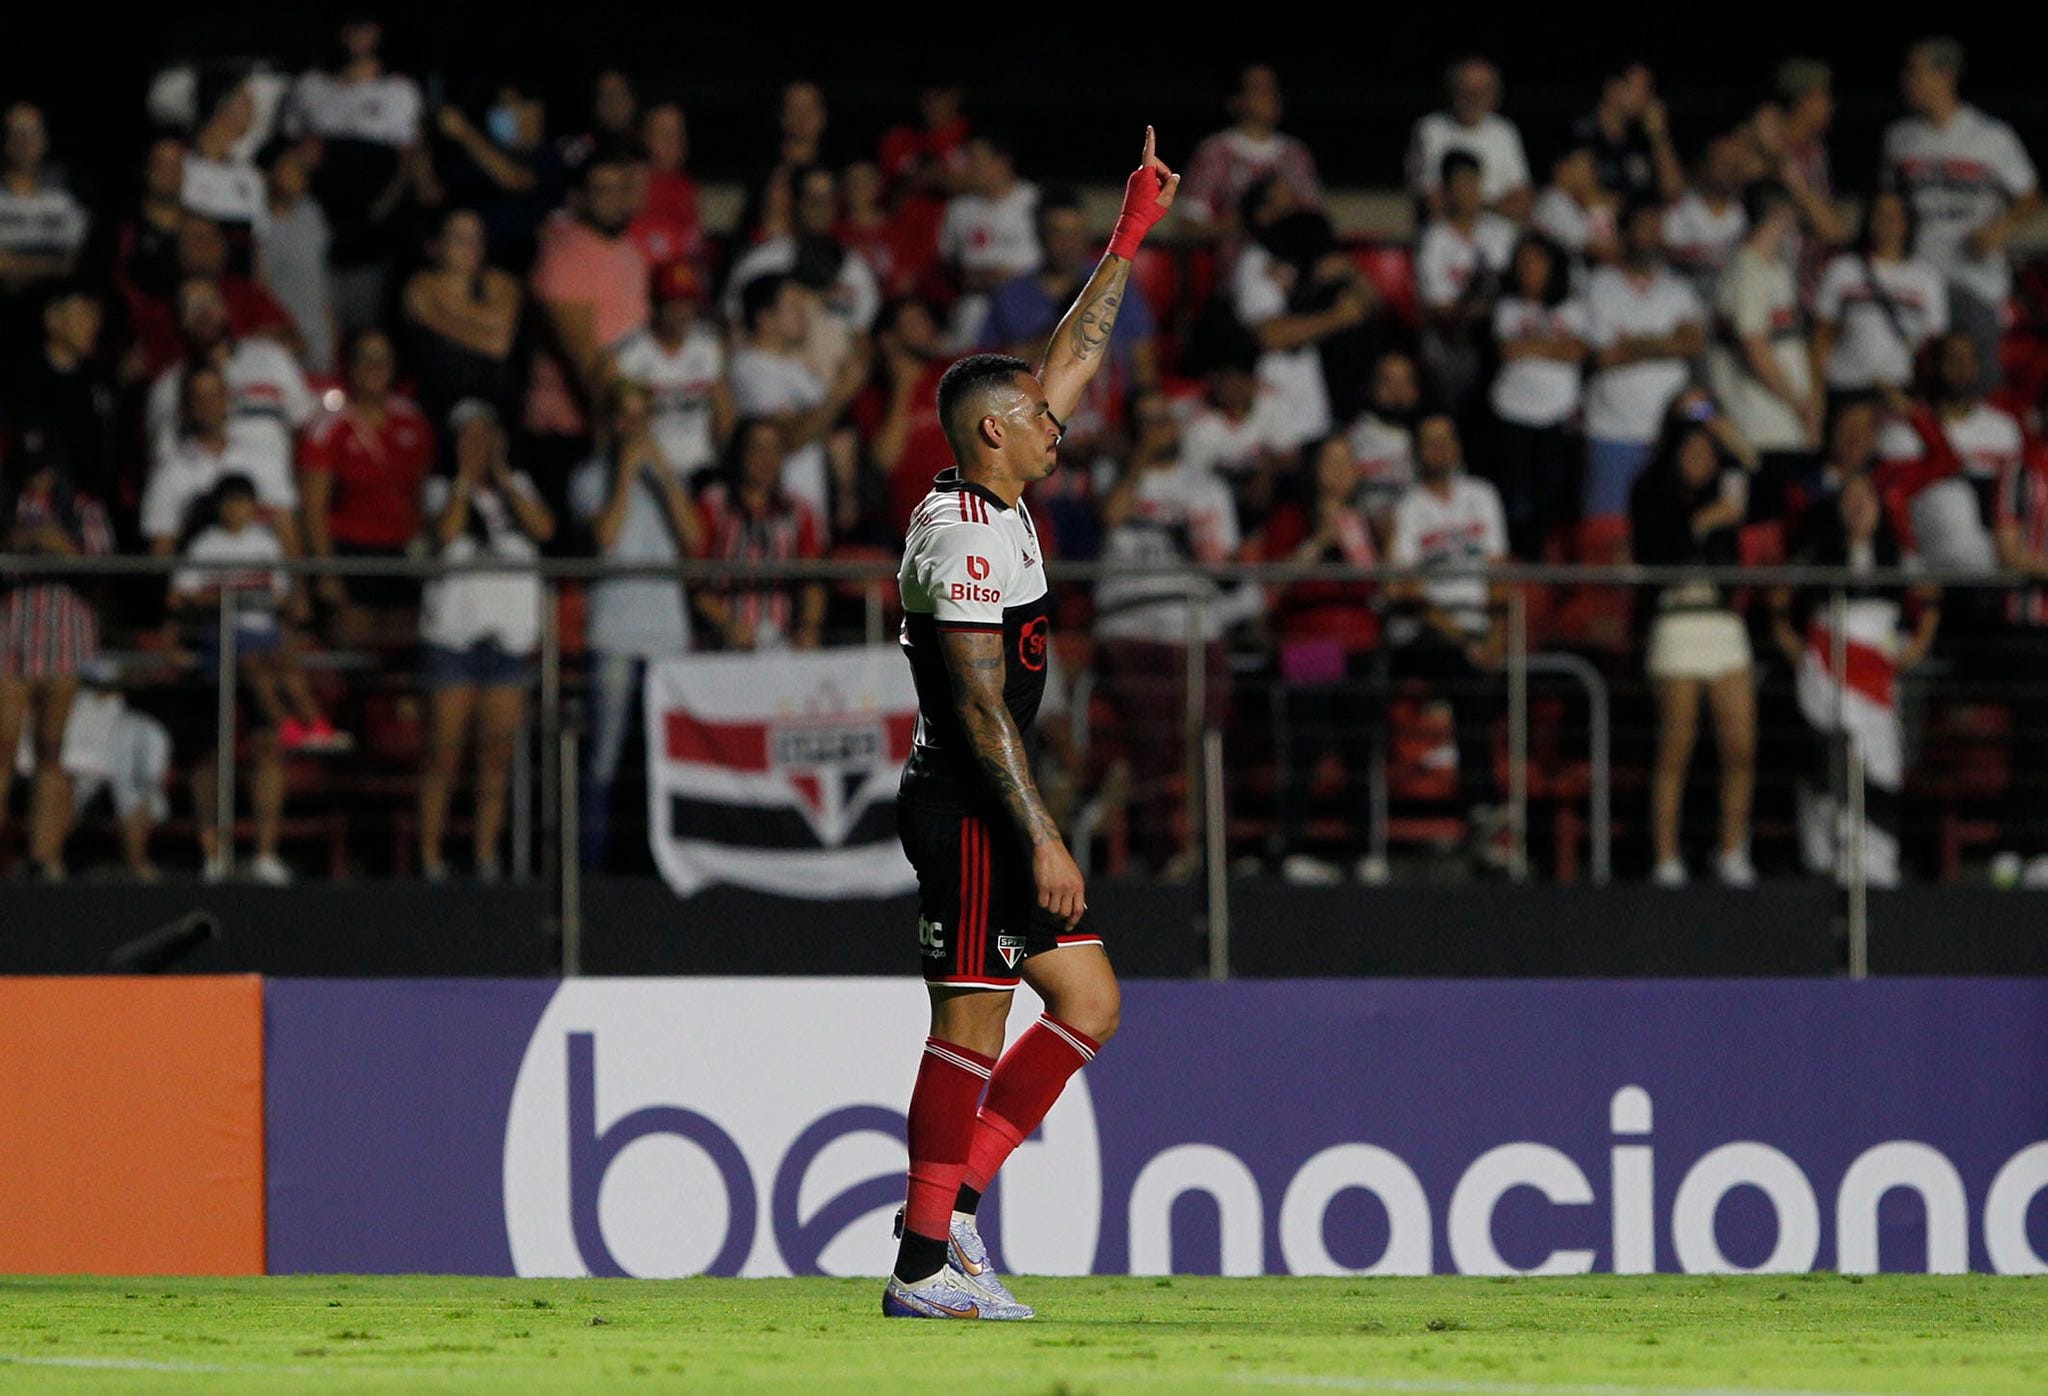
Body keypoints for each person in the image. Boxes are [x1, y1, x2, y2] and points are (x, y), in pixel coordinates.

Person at [885, 127, 1174, 1322]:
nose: (1060, 421)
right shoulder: (955, 532)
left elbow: (1070, 358)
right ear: (989, 432)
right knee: (970, 1015)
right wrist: (1042, 834)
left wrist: (1129, 236)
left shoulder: (1003, 488)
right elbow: (974, 705)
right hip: (967, 800)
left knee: (1090, 1002)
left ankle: (950, 1218)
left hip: (996, 801)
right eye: (1035, 416)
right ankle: (921, 1262)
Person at [1093, 392, 1245, 877]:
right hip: (1131, 624)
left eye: (1167, 418)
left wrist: (1198, 547)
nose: (1160, 427)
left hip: (1196, 625)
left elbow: (1225, 564)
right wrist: (1137, 460)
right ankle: (1159, 854)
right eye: (1150, 419)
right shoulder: (1115, 476)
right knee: (1153, 746)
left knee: (1209, 741)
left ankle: (1213, 852)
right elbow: (1112, 517)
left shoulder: (1208, 488)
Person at [1771, 474, 1938, 888]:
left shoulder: (1898, 557)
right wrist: (1801, 652)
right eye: (1850, 498)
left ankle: (1877, 862)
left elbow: (1931, 604)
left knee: (1878, 763)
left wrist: (1912, 651)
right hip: (1827, 673)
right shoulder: (1815, 555)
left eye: (1866, 497)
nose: (1858, 506)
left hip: (1876, 679)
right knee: (1832, 759)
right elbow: (1779, 603)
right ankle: (1827, 858)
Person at [417, 401, 555, 881]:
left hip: (508, 640)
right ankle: (431, 858)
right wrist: (464, 477)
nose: (476, 446)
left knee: (495, 757)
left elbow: (543, 529)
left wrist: (501, 475)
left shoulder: (520, 489)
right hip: (454, 638)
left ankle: (484, 856)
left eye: (485, 436)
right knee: (445, 753)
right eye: (467, 437)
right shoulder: (438, 490)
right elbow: (447, 531)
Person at [569, 380, 705, 870]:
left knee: (669, 758)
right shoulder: (589, 477)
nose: (635, 427)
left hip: (668, 633)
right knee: (603, 759)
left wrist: (663, 472)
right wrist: (624, 471)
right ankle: (590, 867)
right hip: (614, 634)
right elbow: (604, 536)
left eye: (642, 416)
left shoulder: (670, 478)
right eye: (625, 416)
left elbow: (694, 538)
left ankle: (665, 863)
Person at [1629, 400, 1757, 888]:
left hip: (1721, 623)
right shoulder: (1650, 492)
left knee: (1740, 746)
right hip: (1675, 622)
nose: (1701, 459)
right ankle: (1665, 856)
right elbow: (1655, 551)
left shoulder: (1730, 491)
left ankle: (1731, 850)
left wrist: (1733, 441)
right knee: (1676, 744)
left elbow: (1759, 481)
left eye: (1710, 452)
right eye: (1693, 449)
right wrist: (1703, 522)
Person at [163, 474, 306, 883]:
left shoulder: (266, 544)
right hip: (216, 648)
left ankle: (265, 852)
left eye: (244, 502)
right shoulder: (205, 545)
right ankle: (212, 851)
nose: (236, 511)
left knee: (266, 749)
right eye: (229, 502)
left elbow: (285, 601)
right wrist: (225, 598)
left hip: (261, 644)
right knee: (211, 752)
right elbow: (179, 596)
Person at [1255, 433, 1383, 884]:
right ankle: (1291, 850)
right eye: (1332, 462)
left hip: (1359, 644)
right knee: (1305, 748)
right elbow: (1274, 583)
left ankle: (1364, 852)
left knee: (1359, 752)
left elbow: (1374, 584)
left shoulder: (1360, 520)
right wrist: (1318, 540)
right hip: (1310, 642)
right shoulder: (1292, 519)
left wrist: (1351, 539)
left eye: (1348, 462)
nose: (1341, 471)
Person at [1384, 413, 1510, 861]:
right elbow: (1405, 588)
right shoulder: (1408, 506)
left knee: (1482, 668)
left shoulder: (1482, 495)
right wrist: (1462, 635)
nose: (1438, 449)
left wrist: (1497, 632)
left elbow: (1497, 570)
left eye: (1445, 440)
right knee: (1464, 667)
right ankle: (1481, 805)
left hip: (1476, 629)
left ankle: (1483, 808)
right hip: (1426, 629)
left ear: (1457, 447)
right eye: (1428, 442)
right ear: (1418, 452)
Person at [1882, 37, 2039, 393]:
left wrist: (1999, 228)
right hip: (1918, 280)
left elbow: (2030, 196)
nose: (1907, 81)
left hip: (1977, 283)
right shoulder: (1899, 139)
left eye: (1916, 73)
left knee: (1976, 386)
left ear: (1945, 76)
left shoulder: (1991, 137)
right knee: (1917, 385)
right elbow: (1888, 203)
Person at [0, 449, 113, 881]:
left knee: (51, 748)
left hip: (64, 636)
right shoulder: (7, 505)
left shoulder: (82, 509)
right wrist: (16, 542)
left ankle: (44, 856)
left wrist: (57, 547)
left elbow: (103, 572)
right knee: (3, 750)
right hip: (11, 634)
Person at [285, 18, 430, 334]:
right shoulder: (310, 86)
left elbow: (408, 161)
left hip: (370, 227)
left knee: (365, 326)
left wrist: (380, 212)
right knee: (314, 317)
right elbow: (293, 150)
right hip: (317, 222)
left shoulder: (399, 91)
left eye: (367, 29)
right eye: (352, 27)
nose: (359, 37)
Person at [143, 277, 316, 538]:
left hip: (274, 510)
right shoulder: (167, 387)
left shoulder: (272, 359)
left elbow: (305, 429)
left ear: (225, 308)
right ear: (179, 319)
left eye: (209, 302)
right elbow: (163, 455)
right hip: (202, 527)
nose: (202, 312)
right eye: (191, 305)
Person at [984, 187, 1159, 437]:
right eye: (1058, 233)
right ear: (1039, 235)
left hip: (1112, 424)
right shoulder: (1011, 296)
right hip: (1033, 425)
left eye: (1076, 233)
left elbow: (1143, 366)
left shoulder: (1114, 286)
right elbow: (988, 368)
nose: (1068, 243)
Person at [524, 144, 649, 485]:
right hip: (572, 430)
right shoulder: (565, 256)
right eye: (602, 190)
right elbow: (586, 359)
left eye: (620, 189)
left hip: (625, 421)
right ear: (580, 197)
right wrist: (610, 437)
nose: (613, 199)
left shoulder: (630, 251)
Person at [298, 329, 434, 639]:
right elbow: (313, 507)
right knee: (355, 646)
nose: (375, 367)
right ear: (351, 365)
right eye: (366, 359)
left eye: (383, 359)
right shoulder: (329, 425)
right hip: (350, 551)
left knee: (402, 652)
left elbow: (421, 495)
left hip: (402, 553)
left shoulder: (412, 420)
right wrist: (326, 571)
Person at [1582, 200, 1706, 526]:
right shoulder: (1600, 285)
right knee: (1609, 531)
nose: (1652, 236)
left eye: (1657, 228)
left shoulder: (1678, 288)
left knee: (1663, 529)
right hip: (1612, 433)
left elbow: (1693, 343)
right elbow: (1606, 355)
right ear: (1625, 233)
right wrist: (1668, 342)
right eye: (1644, 227)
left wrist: (1633, 343)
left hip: (1668, 436)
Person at [1232, 175, 1374, 449]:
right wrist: (1337, 317)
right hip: (1286, 407)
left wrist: (1350, 273)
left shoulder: (1314, 246)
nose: (1295, 207)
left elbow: (1370, 305)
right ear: (1262, 214)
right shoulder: (1255, 262)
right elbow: (1270, 335)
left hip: (1332, 402)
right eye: (1284, 203)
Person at [12, 662, 172, 882]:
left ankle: (138, 863)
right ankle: (46, 861)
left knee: (138, 762)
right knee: (61, 778)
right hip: (72, 715)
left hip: (115, 713)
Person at [1706, 182, 1820, 492]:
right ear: (1780, 214)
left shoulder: (1776, 268)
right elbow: (1754, 349)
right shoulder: (1747, 270)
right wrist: (1799, 405)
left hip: (1783, 427)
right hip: (1757, 429)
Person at [729, 273, 866, 525]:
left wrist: (846, 491)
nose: (803, 314)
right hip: (774, 515)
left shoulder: (798, 370)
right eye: (792, 307)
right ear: (765, 318)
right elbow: (786, 438)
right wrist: (839, 394)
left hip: (811, 509)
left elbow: (835, 429)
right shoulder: (750, 369)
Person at [1488, 234, 1588, 559]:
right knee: (1515, 501)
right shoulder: (1507, 306)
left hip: (1556, 417)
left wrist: (1532, 345)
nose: (1527, 270)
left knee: (1552, 501)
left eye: (1535, 262)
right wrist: (1554, 346)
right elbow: (1508, 348)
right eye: (1522, 263)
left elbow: (1578, 350)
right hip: (1511, 414)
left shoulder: (1573, 307)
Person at [693, 419, 827, 651]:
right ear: (740, 454)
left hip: (783, 643)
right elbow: (694, 581)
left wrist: (808, 629)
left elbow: (811, 582)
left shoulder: (798, 511)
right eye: (757, 448)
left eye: (774, 449)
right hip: (724, 643)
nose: (766, 459)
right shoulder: (713, 505)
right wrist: (728, 624)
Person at [1179, 64, 1321, 263]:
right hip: (1240, 261)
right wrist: (1250, 221)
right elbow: (1187, 226)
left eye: (1273, 88)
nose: (1270, 96)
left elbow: (1315, 220)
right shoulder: (1215, 152)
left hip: (1295, 261)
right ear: (1236, 101)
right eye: (1259, 89)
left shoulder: (1296, 154)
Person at [1813, 191, 1947, 401]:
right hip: (1846, 386)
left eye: (1894, 216)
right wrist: (1817, 393)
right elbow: (1822, 337)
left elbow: (1933, 344)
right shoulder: (1843, 269)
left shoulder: (1928, 278)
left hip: (1899, 390)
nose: (1887, 223)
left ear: (1907, 223)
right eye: (1880, 215)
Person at [402, 208, 525, 431]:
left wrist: (435, 316)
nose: (471, 247)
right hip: (438, 406)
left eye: (477, 238)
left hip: (500, 406)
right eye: (459, 239)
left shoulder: (502, 283)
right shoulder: (420, 284)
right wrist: (482, 325)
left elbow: (499, 344)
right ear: (434, 245)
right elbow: (493, 336)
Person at [613, 261, 733, 485]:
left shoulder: (708, 345)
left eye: (687, 302)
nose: (682, 312)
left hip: (702, 468)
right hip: (650, 473)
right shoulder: (630, 354)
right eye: (673, 303)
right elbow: (631, 423)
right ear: (656, 303)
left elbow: (724, 413)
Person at [1415, 151, 1517, 416]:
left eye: (1474, 184)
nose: (1469, 192)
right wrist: (1490, 309)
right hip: (1453, 347)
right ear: (1447, 191)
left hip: (1499, 339)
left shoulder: (1502, 233)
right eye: (1460, 185)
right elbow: (1441, 310)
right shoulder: (1434, 240)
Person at [1990, 435, 2048, 886]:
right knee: (2031, 737)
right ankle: (2017, 844)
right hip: (2031, 625)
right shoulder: (2020, 470)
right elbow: (2008, 550)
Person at [3, 285, 117, 503]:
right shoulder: (22, 381)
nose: (93, 323)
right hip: (34, 505)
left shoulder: (101, 382)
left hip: (92, 506)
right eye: (83, 313)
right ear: (52, 320)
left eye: (95, 315)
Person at [938, 133, 1039, 347]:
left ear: (1002, 162)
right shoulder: (959, 210)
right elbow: (950, 267)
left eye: (975, 159)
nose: (967, 167)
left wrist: (991, 277)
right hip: (973, 314)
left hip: (1027, 313)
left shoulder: (1034, 202)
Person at [0, 104, 90, 338]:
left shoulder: (66, 197)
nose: (24, 140)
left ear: (45, 140)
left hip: (56, 318)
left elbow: (74, 262)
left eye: (32, 132)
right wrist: (51, 264)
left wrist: (18, 264)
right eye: (16, 132)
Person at [1408, 58, 1533, 221]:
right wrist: (1494, 206)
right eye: (1466, 88)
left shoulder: (1505, 131)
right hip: (1448, 233)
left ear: (1495, 95)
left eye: (1483, 90)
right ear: (1452, 90)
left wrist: (1470, 206)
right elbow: (1432, 200)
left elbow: (1523, 199)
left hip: (1500, 234)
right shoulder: (1429, 129)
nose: (1474, 96)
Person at [256, 138, 335, 374]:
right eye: (290, 166)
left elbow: (321, 280)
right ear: (269, 173)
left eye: (302, 168)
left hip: (318, 337)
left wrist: (331, 335)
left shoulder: (312, 213)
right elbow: (260, 287)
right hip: (279, 339)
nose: (300, 173)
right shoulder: (258, 221)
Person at [1571, 62, 1683, 203]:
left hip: (1641, 220)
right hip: (1594, 220)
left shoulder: (1641, 136)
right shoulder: (1582, 131)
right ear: (1612, 89)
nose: (1647, 97)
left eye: (1649, 89)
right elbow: (1583, 192)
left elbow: (1674, 192)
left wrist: (1659, 136)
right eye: (1641, 88)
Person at [1662, 134, 1750, 305]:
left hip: (1726, 311)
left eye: (1734, 165)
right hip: (1681, 309)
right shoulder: (1679, 211)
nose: (1729, 171)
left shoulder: (1744, 214)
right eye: (1722, 163)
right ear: (1704, 166)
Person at [1347, 349, 1425, 538]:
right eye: (1387, 382)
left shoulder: (1430, 437)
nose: (1397, 392)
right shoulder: (1352, 438)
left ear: (1416, 389)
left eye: (1404, 382)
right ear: (1372, 387)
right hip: (1368, 538)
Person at [1531, 140, 1619, 283]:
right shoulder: (1553, 202)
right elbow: (1606, 252)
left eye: (1591, 165)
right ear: (1561, 168)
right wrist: (1597, 203)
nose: (1592, 172)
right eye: (1584, 164)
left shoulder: (1574, 203)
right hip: (1562, 295)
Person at [629, 103, 703, 272]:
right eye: (663, 133)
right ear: (644, 138)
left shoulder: (687, 187)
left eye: (679, 134)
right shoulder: (630, 182)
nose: (673, 142)